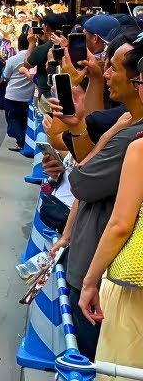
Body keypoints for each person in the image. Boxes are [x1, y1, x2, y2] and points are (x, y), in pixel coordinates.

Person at [43, 33, 143, 358]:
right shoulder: (128, 126)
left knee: (96, 357)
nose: (107, 73)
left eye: (113, 68)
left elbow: (85, 183)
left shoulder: (133, 138)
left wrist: (89, 281)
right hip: (108, 268)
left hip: (115, 274)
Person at [76, 132, 143, 378]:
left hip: (135, 285)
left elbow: (120, 225)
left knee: (124, 369)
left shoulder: (140, 149)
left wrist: (89, 281)